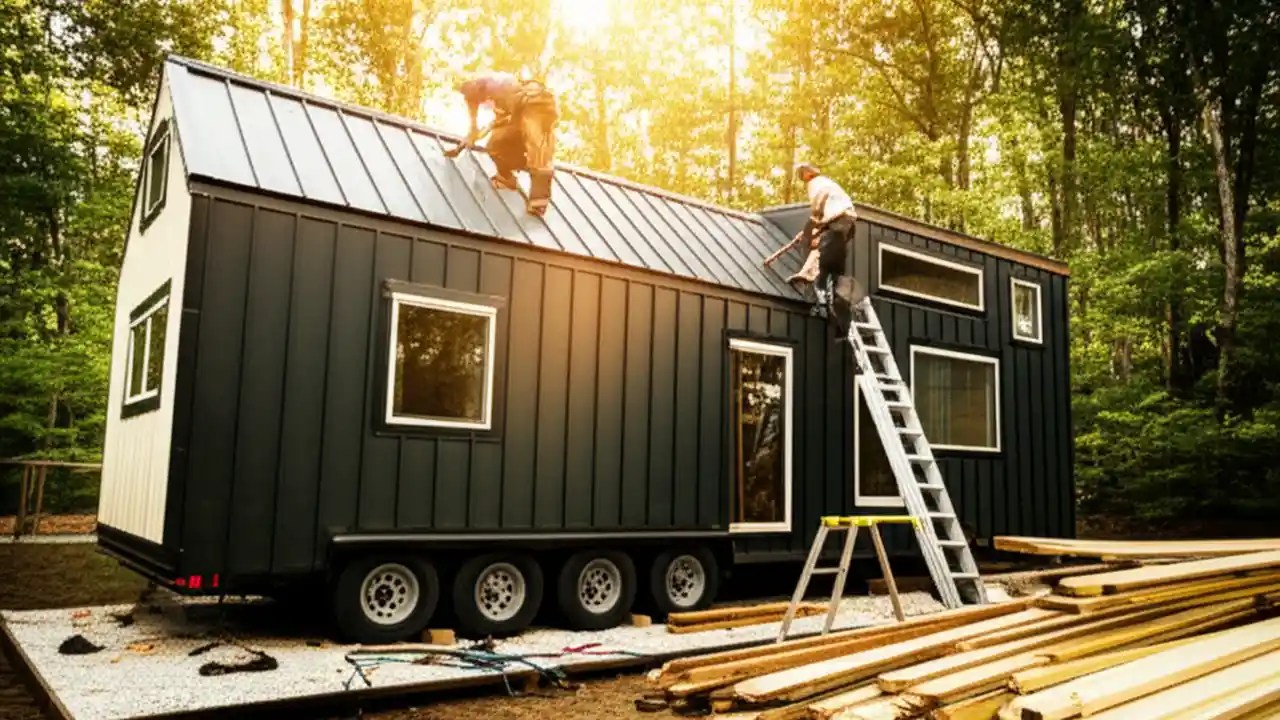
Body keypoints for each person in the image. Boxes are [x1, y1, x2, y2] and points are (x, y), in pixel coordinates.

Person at [444, 71, 559, 216]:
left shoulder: (495, 82)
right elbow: (476, 127)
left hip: (535, 104)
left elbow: (512, 111)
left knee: (537, 148)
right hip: (521, 112)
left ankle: (539, 201)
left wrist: (501, 121)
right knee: (496, 144)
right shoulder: (478, 96)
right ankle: (507, 178)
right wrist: (470, 136)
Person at [778, 163, 858, 323]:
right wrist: (813, 230)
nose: (802, 178)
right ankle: (812, 276)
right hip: (847, 220)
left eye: (802, 175)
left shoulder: (815, 184)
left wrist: (810, 229)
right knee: (825, 252)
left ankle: (814, 282)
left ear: (806, 174)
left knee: (822, 251)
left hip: (838, 218)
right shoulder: (827, 182)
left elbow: (818, 207)